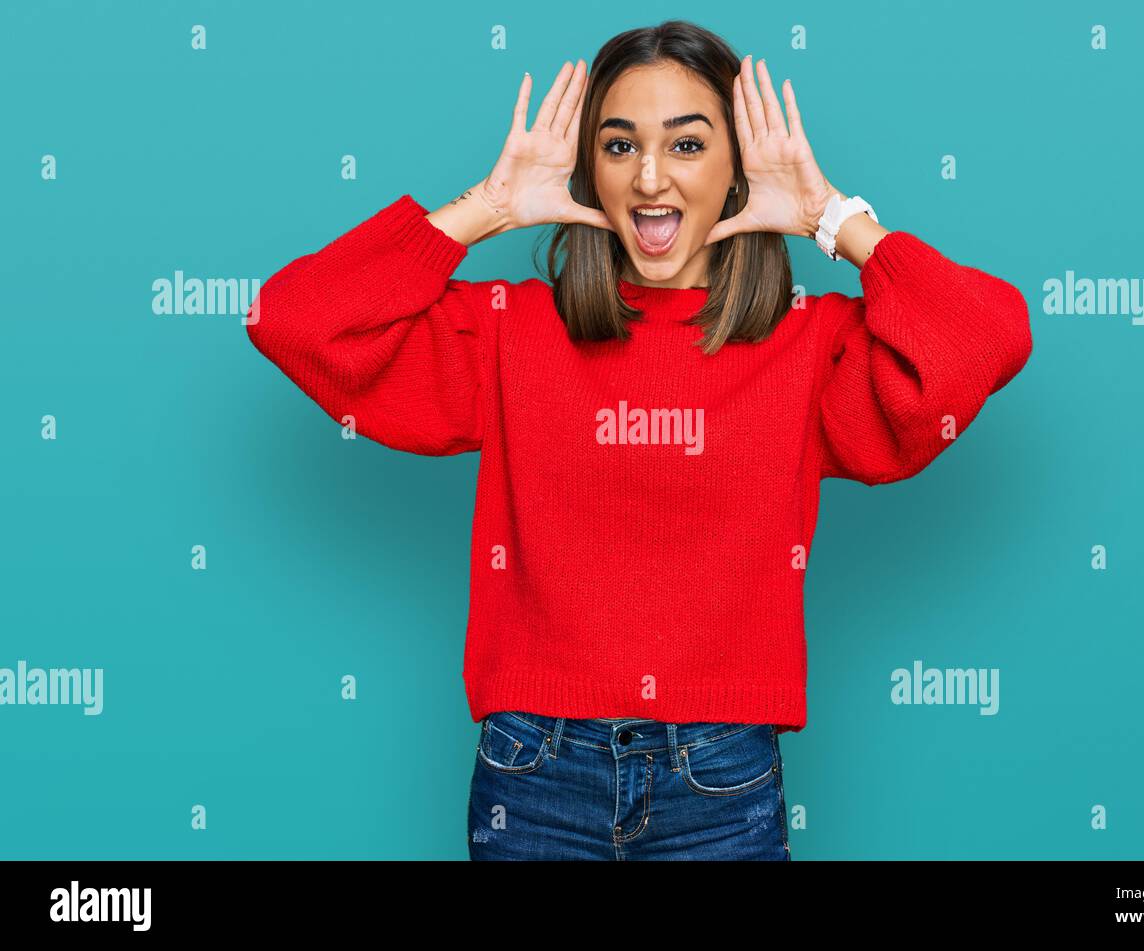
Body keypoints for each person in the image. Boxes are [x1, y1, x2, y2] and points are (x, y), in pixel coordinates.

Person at [246, 20, 1033, 860]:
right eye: (619, 146)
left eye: (688, 144)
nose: (650, 175)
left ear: (739, 170)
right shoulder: (510, 332)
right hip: (533, 772)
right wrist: (488, 208)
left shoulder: (808, 345)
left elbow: (991, 338)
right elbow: (292, 319)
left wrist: (830, 215)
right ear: (590, 172)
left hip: (720, 780)